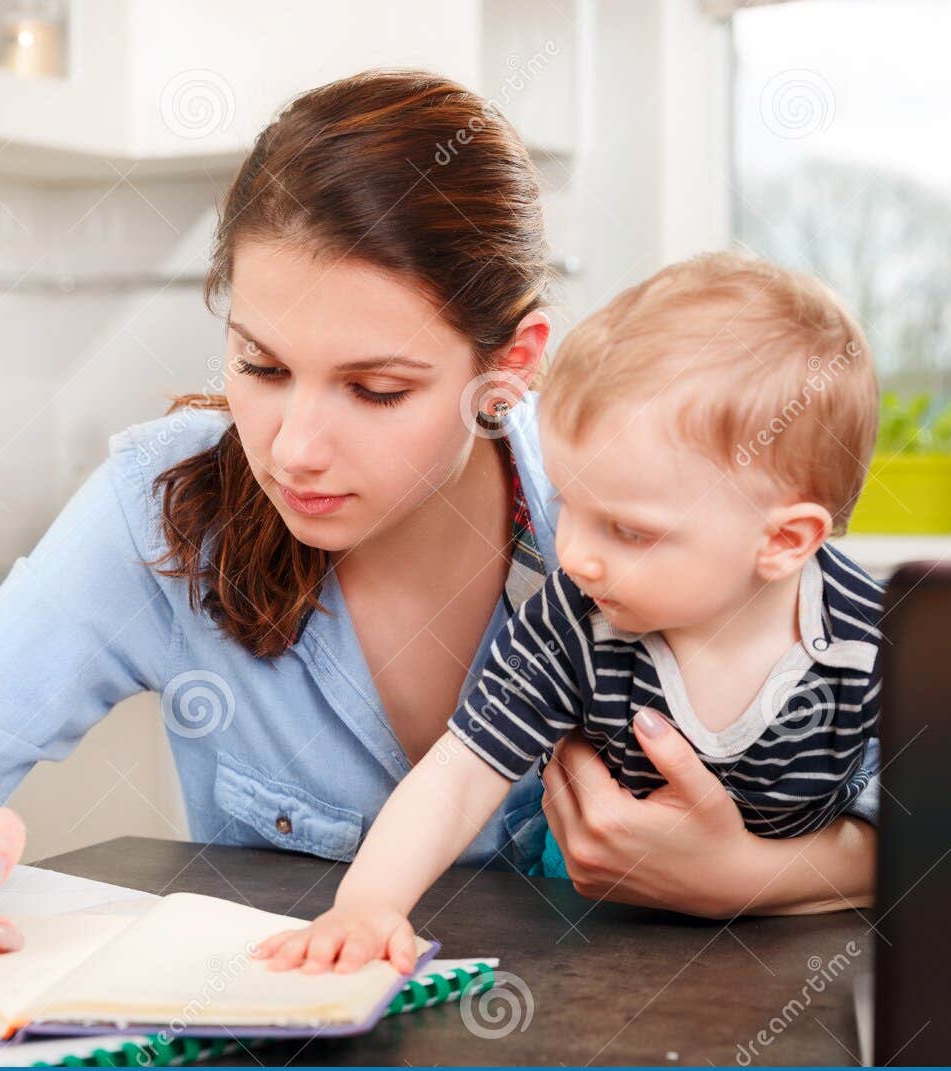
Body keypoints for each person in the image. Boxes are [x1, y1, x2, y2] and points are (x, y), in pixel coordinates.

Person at [0, 72, 881, 958]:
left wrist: (756, 874)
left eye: (376, 389)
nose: (293, 446)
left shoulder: (637, 505)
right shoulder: (164, 504)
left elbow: (950, 808)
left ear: (510, 365)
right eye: (260, 365)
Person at [256, 252, 883, 974]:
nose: (576, 554)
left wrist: (752, 880)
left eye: (629, 530)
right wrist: (368, 902)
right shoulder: (574, 620)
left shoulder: (872, 644)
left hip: (808, 970)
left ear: (783, 540)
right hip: (592, 961)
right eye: (566, 503)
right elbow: (459, 771)